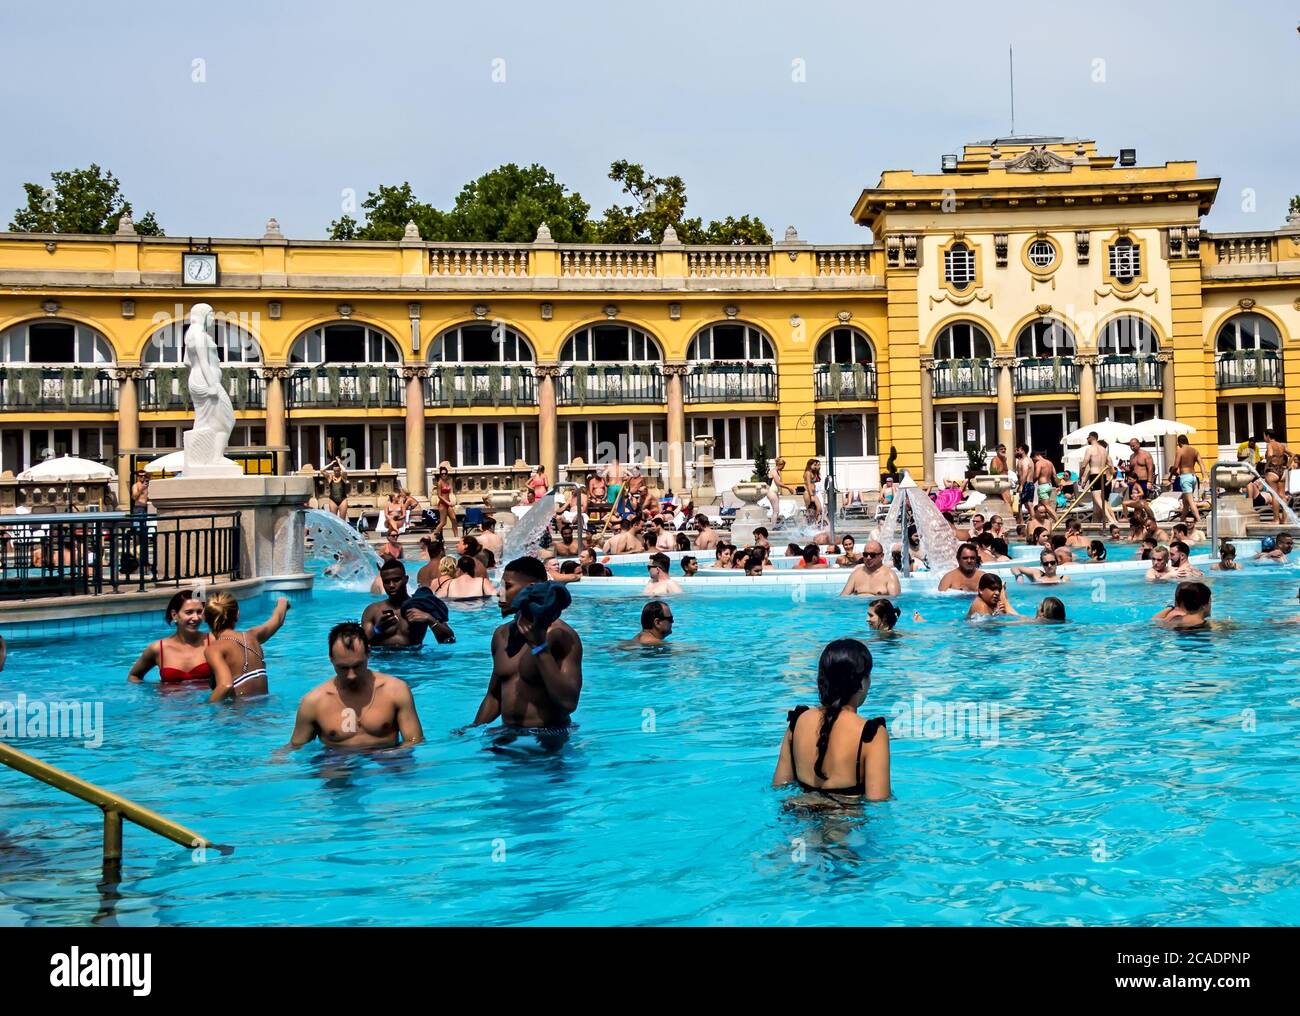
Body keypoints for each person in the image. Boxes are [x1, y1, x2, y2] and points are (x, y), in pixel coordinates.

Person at [471, 557, 584, 733]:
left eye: (507, 587)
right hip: (508, 736)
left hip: (548, 739)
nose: (499, 593)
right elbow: (494, 697)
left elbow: (569, 703)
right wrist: (471, 730)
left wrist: (539, 647)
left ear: (535, 587)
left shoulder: (561, 635)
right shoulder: (501, 635)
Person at [771, 639, 890, 802]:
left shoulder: (798, 720)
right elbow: (879, 802)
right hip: (842, 823)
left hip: (798, 815)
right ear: (862, 682)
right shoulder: (871, 734)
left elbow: (779, 785)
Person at [288, 623, 424, 750]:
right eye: (343, 668)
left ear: (368, 653)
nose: (351, 675)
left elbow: (414, 741)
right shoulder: (313, 702)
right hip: (337, 760)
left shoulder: (396, 690)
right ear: (331, 659)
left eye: (357, 666)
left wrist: (397, 754)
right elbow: (296, 747)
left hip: (387, 755)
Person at [204, 593, 290, 702]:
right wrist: (282, 603)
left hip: (240, 713)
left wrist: (205, 707)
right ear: (238, 614)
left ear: (205, 617)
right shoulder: (253, 636)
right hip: (266, 706)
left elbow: (225, 685)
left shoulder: (214, 649)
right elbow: (277, 620)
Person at [126, 589, 213, 685]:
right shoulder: (158, 649)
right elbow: (133, 676)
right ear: (174, 615)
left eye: (199, 612)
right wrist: (151, 690)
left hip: (206, 700)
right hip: (170, 699)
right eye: (189, 612)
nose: (196, 618)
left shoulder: (212, 642)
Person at [362, 558, 455, 647]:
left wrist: (429, 619)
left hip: (415, 661)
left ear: (406, 579)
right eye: (386, 582)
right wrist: (377, 630)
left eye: (396, 580)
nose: (391, 585)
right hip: (384, 661)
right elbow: (360, 646)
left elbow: (449, 640)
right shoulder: (372, 611)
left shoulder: (421, 605)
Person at [1077, 432, 1110, 522]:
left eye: (1088, 437)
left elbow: (1083, 466)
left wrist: (1080, 478)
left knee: (1098, 500)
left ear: (1092, 437)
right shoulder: (1104, 450)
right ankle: (1095, 523)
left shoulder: (1090, 449)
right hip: (1102, 476)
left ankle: (1111, 519)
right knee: (1098, 503)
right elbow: (1110, 464)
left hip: (1095, 475)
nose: (1087, 439)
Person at [1173, 434, 1205, 524]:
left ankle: (1199, 521)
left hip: (1185, 477)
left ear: (1179, 443)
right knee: (1186, 503)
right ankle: (1181, 521)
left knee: (1190, 501)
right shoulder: (1195, 450)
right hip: (1194, 477)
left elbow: (1175, 467)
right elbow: (1201, 464)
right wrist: (1204, 476)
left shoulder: (1180, 451)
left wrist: (1170, 476)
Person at [768, 457, 796, 527]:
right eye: (783, 466)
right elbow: (778, 483)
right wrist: (788, 487)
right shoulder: (774, 471)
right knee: (776, 511)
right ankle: (773, 527)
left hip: (774, 492)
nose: (783, 468)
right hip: (771, 492)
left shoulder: (776, 471)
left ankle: (774, 525)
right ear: (780, 465)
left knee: (776, 510)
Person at [1031, 451, 1058, 523]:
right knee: (1040, 507)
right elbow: (1055, 476)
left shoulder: (1039, 463)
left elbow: (1036, 475)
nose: (1034, 462)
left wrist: (1031, 483)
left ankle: (1058, 520)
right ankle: (1042, 522)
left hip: (1043, 486)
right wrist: (1057, 485)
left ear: (1036, 456)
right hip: (1049, 485)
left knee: (1047, 506)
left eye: (1033, 460)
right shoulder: (1050, 463)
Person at [433, 462, 457, 537]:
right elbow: (439, 495)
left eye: (445, 473)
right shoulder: (439, 483)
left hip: (448, 503)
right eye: (442, 474)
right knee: (443, 522)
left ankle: (456, 536)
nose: (444, 475)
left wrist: (450, 502)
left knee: (454, 519)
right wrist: (447, 502)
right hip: (443, 504)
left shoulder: (447, 482)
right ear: (440, 474)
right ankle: (433, 535)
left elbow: (449, 493)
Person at [1014, 444, 1033, 522]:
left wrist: (1021, 486)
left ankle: (1021, 521)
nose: (1017, 451)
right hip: (1028, 484)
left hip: (1025, 484)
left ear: (1022, 450)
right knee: (1027, 504)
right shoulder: (1026, 460)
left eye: (1018, 450)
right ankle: (1032, 520)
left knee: (1019, 504)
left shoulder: (1025, 461)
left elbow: (1024, 473)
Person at [802, 459, 825, 523]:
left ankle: (815, 522)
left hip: (813, 493)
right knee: (810, 510)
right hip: (808, 493)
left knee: (819, 508)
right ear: (810, 465)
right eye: (814, 465)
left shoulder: (813, 472)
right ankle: (807, 524)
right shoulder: (808, 473)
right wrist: (811, 495)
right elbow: (809, 485)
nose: (815, 466)